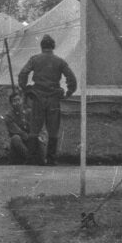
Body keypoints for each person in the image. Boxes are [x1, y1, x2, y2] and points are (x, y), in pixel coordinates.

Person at [18, 34, 77, 165]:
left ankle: (31, 159)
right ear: (53, 46)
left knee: (34, 129)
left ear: (42, 46)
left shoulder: (34, 59)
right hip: (53, 98)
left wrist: (25, 88)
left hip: (38, 97)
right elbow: (71, 78)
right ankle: (51, 159)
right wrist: (70, 91)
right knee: (53, 130)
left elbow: (23, 73)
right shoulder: (60, 61)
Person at [2, 91, 46, 165]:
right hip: (19, 143)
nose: (17, 103)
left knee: (39, 136)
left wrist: (38, 135)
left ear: (22, 100)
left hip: (29, 139)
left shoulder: (28, 112)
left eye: (18, 100)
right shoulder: (8, 116)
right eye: (14, 101)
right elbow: (17, 131)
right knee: (15, 138)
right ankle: (31, 158)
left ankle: (43, 160)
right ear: (11, 104)